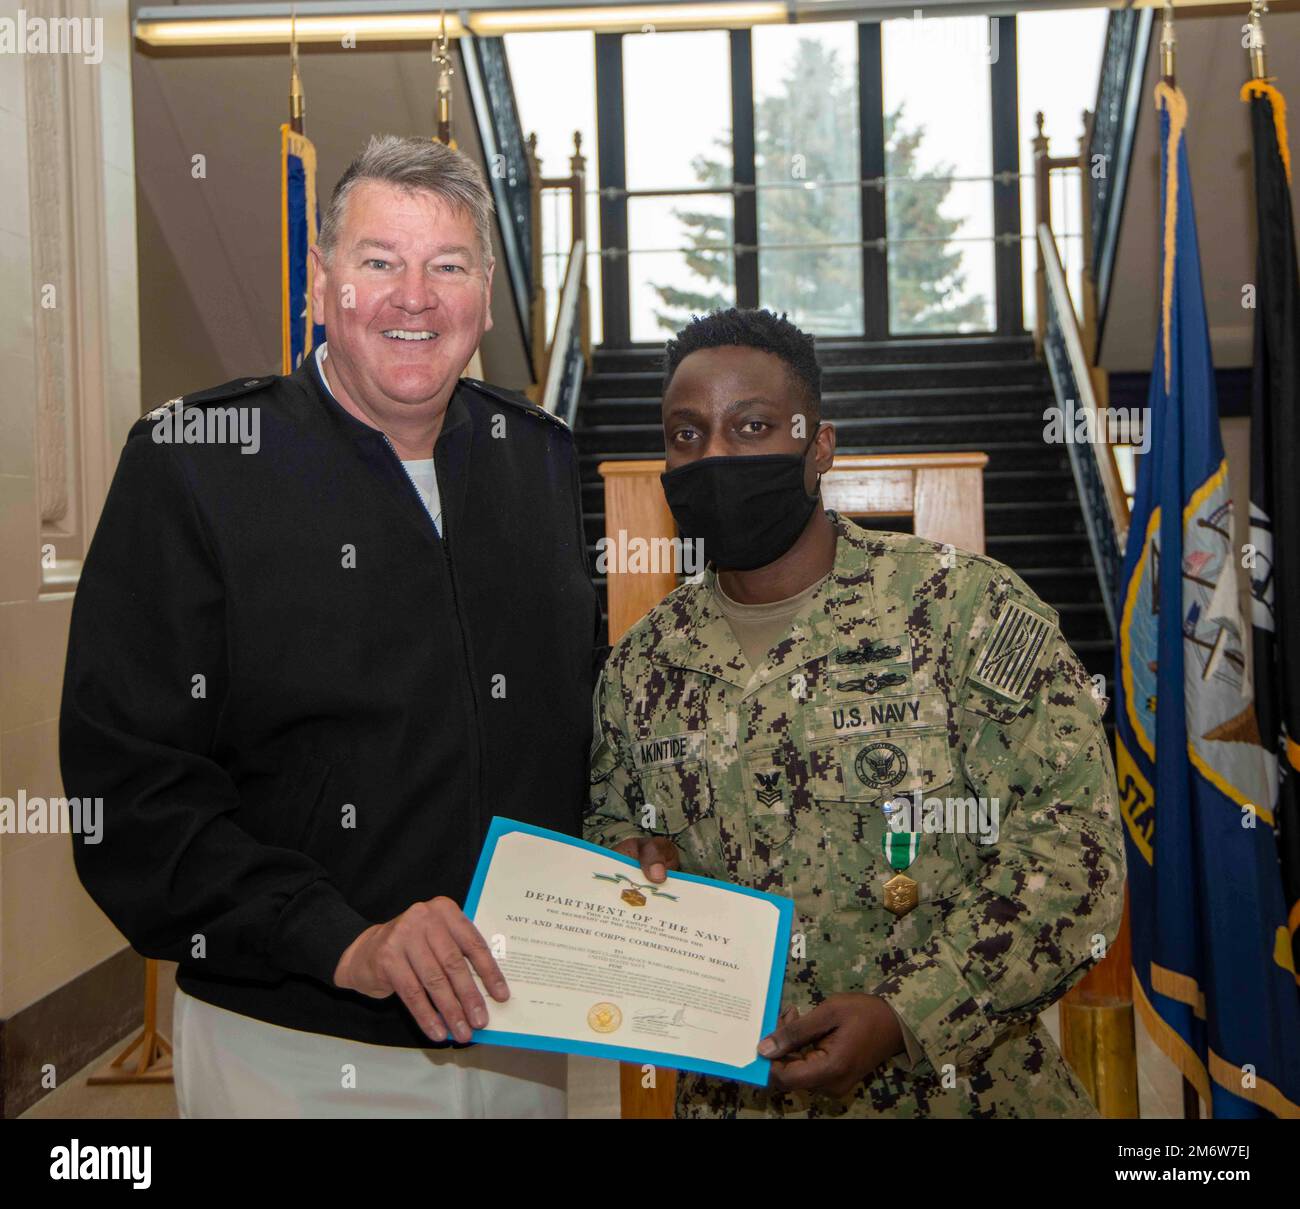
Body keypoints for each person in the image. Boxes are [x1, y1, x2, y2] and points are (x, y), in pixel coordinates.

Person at [61, 135, 602, 1118]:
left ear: (484, 296)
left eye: (448, 266)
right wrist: (342, 942)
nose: (414, 297)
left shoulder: (541, 465)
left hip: (521, 1036)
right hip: (296, 1048)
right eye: (379, 262)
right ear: (319, 285)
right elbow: (130, 793)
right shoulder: (197, 465)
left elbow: (572, 730)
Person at [585, 307, 1125, 1118]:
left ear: (819, 447)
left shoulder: (965, 610)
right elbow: (612, 848)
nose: (715, 456)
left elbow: (1077, 864)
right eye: (687, 435)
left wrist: (905, 1015)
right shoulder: (639, 670)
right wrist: (623, 876)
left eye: (753, 426)